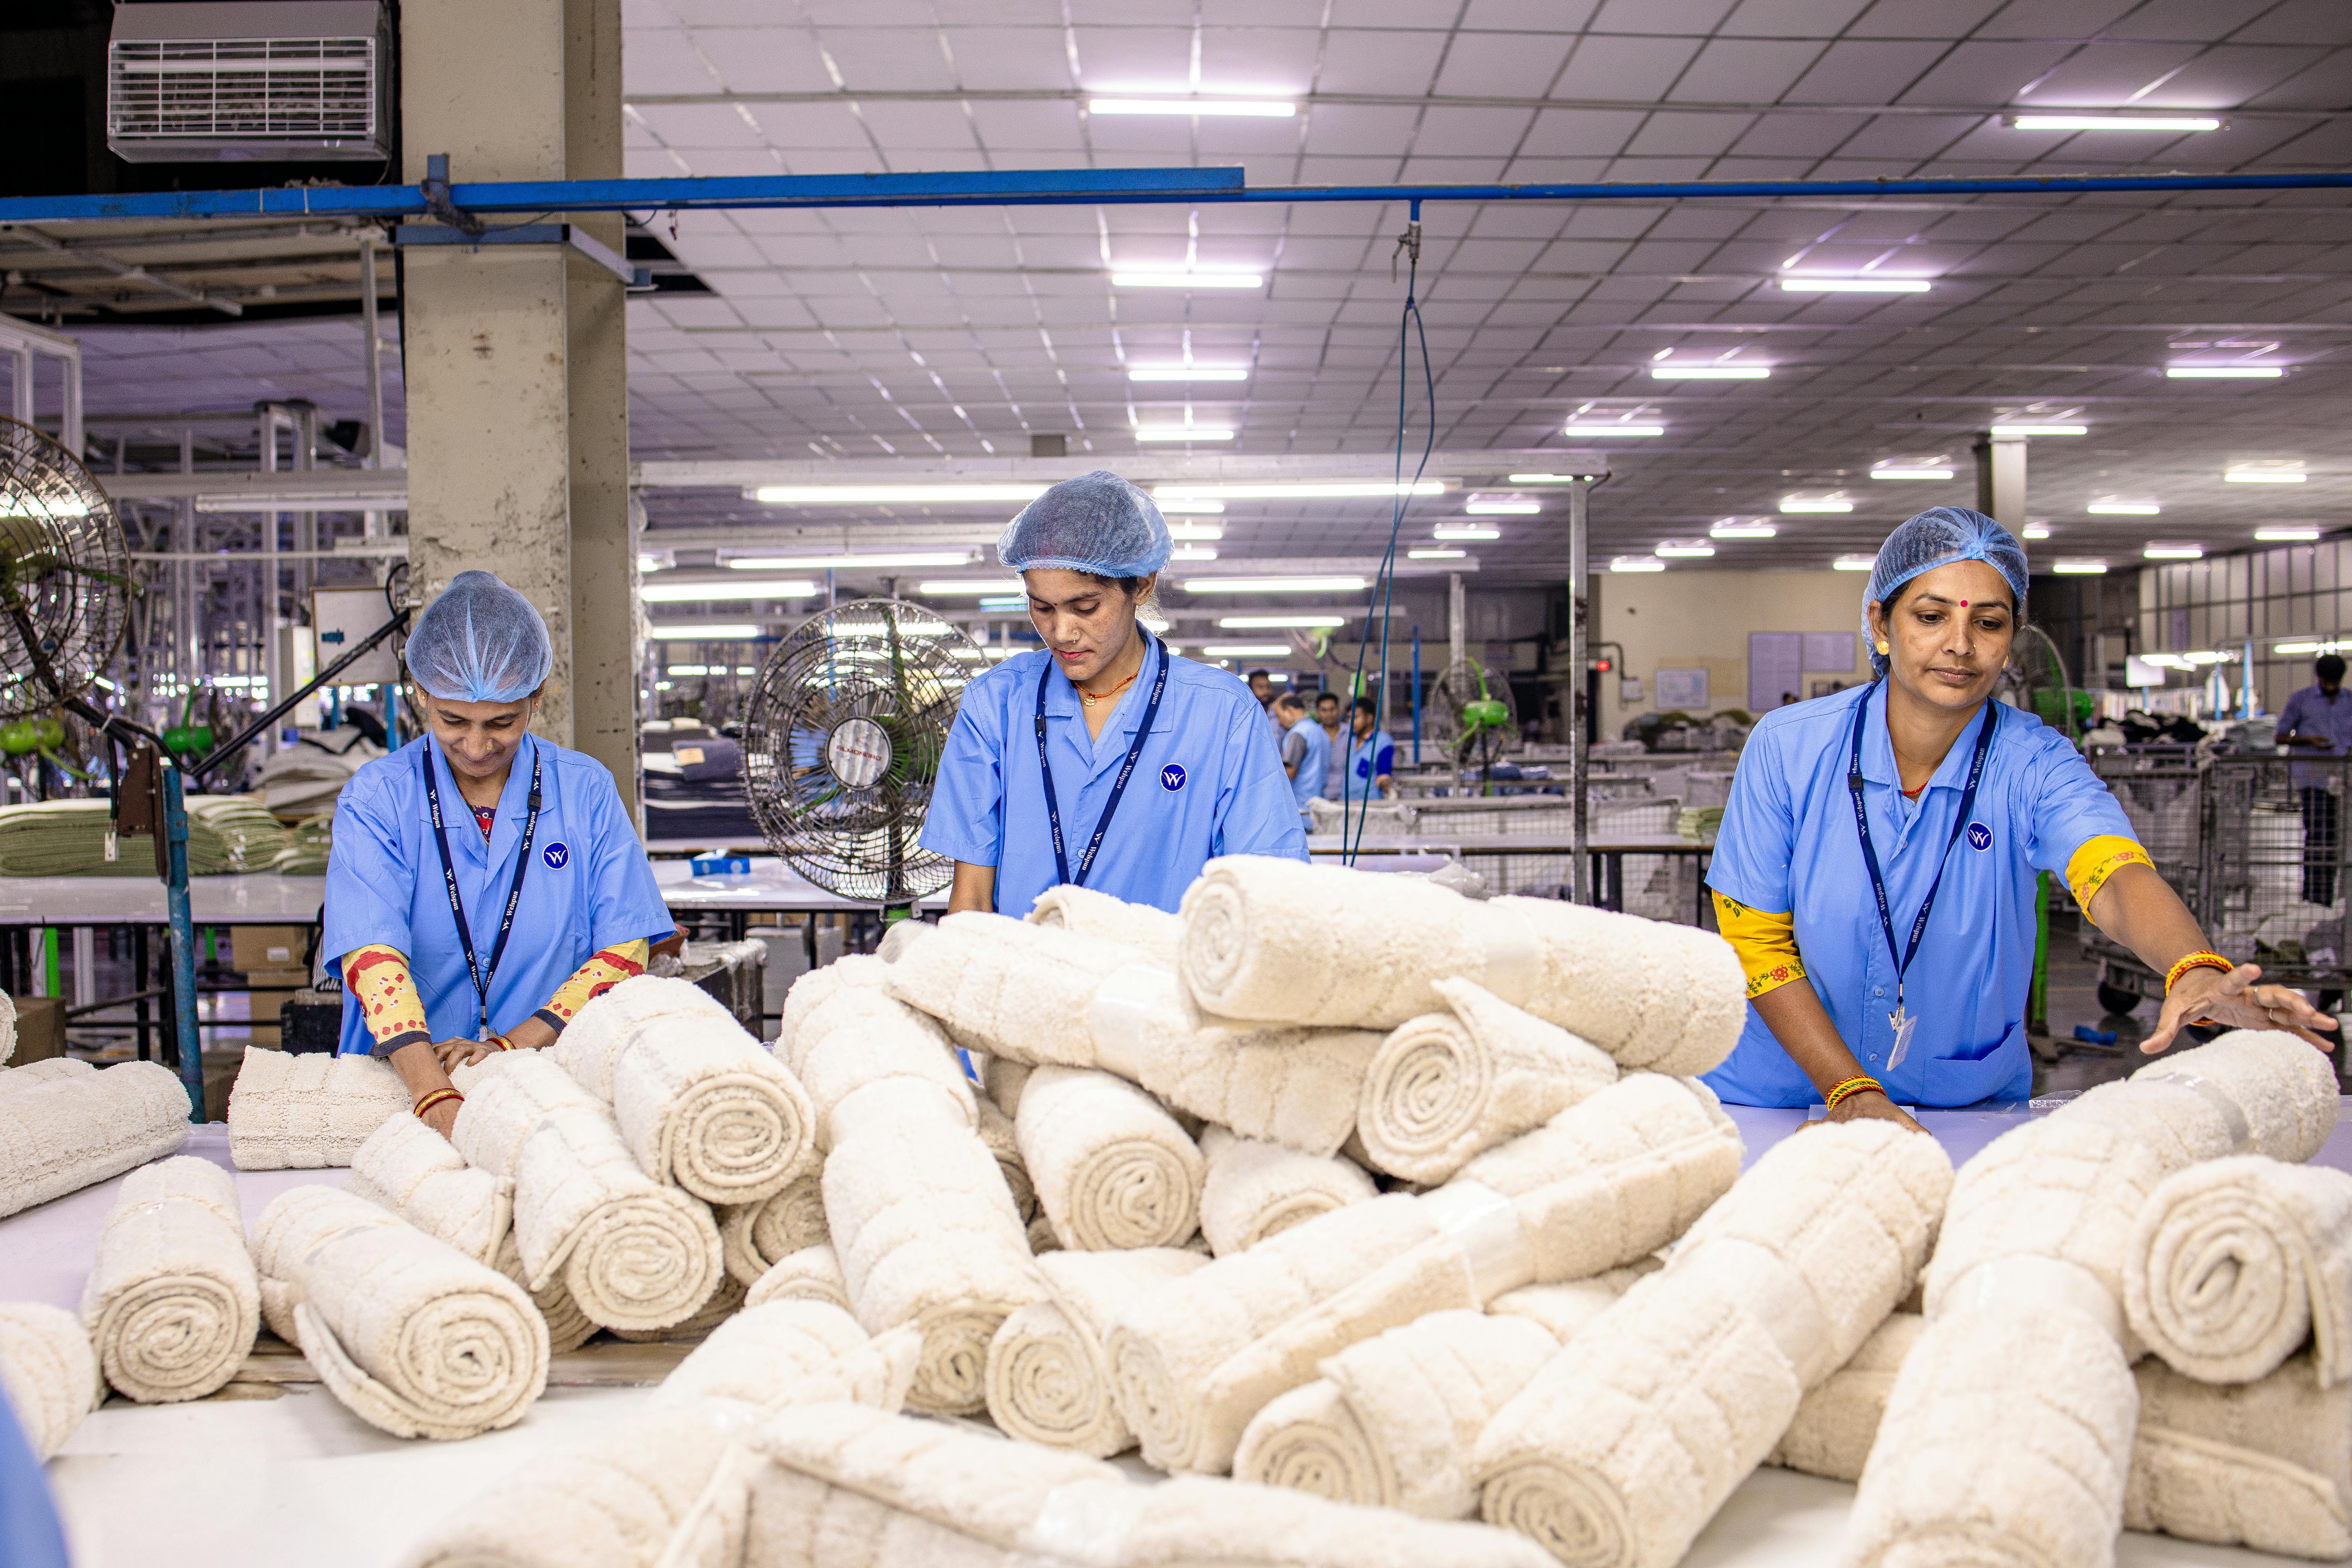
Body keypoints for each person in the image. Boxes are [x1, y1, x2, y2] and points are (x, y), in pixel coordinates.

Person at [1706, 507, 2335, 1129]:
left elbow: (2112, 875)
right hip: (1780, 1100)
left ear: (2012, 636)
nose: (1961, 645)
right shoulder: (1789, 748)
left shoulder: (2034, 763)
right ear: (1880, 623)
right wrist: (1849, 1091)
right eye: (1930, 617)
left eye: (1990, 622)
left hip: (1955, 1106)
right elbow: (1756, 946)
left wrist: (2193, 967)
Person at [323, 572, 676, 1137]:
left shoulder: (584, 790)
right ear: (421, 694)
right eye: (453, 721)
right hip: (401, 1089)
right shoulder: (379, 797)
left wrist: (512, 1047)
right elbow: (371, 954)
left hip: (548, 1083)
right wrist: (432, 1091)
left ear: (537, 696)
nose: (478, 746)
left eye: (502, 723)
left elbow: (626, 944)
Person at [927, 471, 1307, 918]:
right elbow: (970, 902)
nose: (1061, 632)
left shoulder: (1221, 713)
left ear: (1143, 584)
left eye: (1085, 608)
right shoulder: (995, 706)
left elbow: (1263, 894)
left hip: (1162, 981)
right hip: (1025, 978)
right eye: (1041, 607)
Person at [2279, 653, 2352, 906]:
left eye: (2335, 682)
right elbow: (2280, 737)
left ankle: (2332, 898)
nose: (2330, 687)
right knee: (2318, 833)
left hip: (2343, 781)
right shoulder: (2301, 700)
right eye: (2326, 682)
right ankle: (2313, 896)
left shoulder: (2350, 701)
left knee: (2338, 838)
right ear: (2318, 677)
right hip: (2312, 778)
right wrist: (2308, 740)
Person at [1275, 690, 1330, 821]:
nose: (1279, 722)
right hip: (1319, 808)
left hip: (1301, 809)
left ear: (1288, 711)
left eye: (1279, 716)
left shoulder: (1298, 734)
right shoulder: (1320, 731)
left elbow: (1290, 773)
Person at [1341, 696, 1396, 801]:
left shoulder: (1383, 742)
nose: (1351, 722)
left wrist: (1388, 788)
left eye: (1356, 717)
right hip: (1345, 802)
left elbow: (1384, 773)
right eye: (1349, 718)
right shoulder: (1348, 739)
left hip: (1370, 805)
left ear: (1370, 718)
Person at [1316, 689, 1346, 798]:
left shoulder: (1351, 734)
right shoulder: (1314, 735)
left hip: (1347, 795)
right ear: (1318, 713)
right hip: (1321, 795)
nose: (1329, 714)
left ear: (1339, 710)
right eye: (1324, 710)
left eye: (1332, 709)